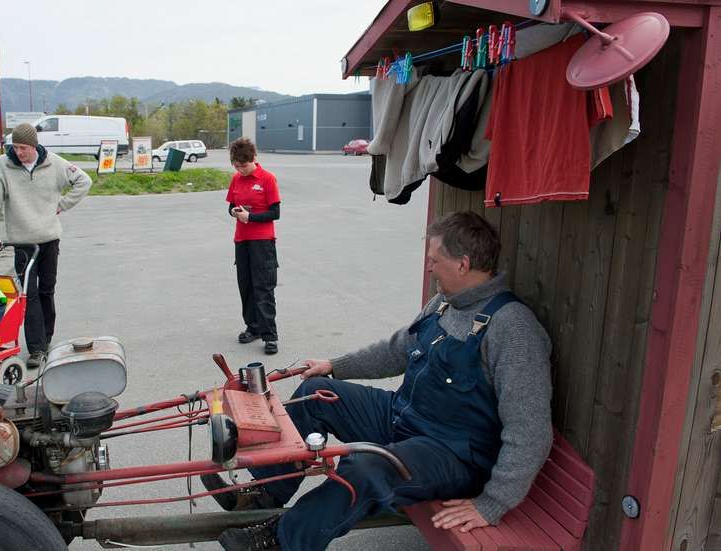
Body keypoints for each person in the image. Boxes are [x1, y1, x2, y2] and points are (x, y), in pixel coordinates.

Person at [207, 212, 553, 551]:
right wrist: (334, 366)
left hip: (452, 453)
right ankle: (265, 494)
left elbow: (531, 430)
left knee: (367, 465)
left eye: (434, 260)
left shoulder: (513, 328)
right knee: (317, 394)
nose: (428, 267)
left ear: (463, 264)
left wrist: (491, 503)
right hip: (404, 418)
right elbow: (397, 350)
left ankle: (281, 541)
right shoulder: (445, 304)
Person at [0, 123, 92, 368]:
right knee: (28, 295)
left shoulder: (54, 163)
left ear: (34, 146)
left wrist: (63, 204)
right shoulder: (3, 165)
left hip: (49, 238)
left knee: (46, 291)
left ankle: (47, 337)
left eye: (23, 148)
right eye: (15, 147)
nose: (19, 152)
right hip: (22, 242)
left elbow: (84, 181)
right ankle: (36, 348)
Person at [226, 138, 281, 355]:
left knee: (263, 287)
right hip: (242, 240)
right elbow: (231, 206)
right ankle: (253, 327)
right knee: (246, 285)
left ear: (253, 159)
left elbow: (275, 213)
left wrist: (251, 217)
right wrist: (234, 212)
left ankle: (270, 336)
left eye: (243, 165)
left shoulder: (267, 179)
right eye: (236, 166)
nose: (240, 169)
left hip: (262, 240)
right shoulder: (236, 179)